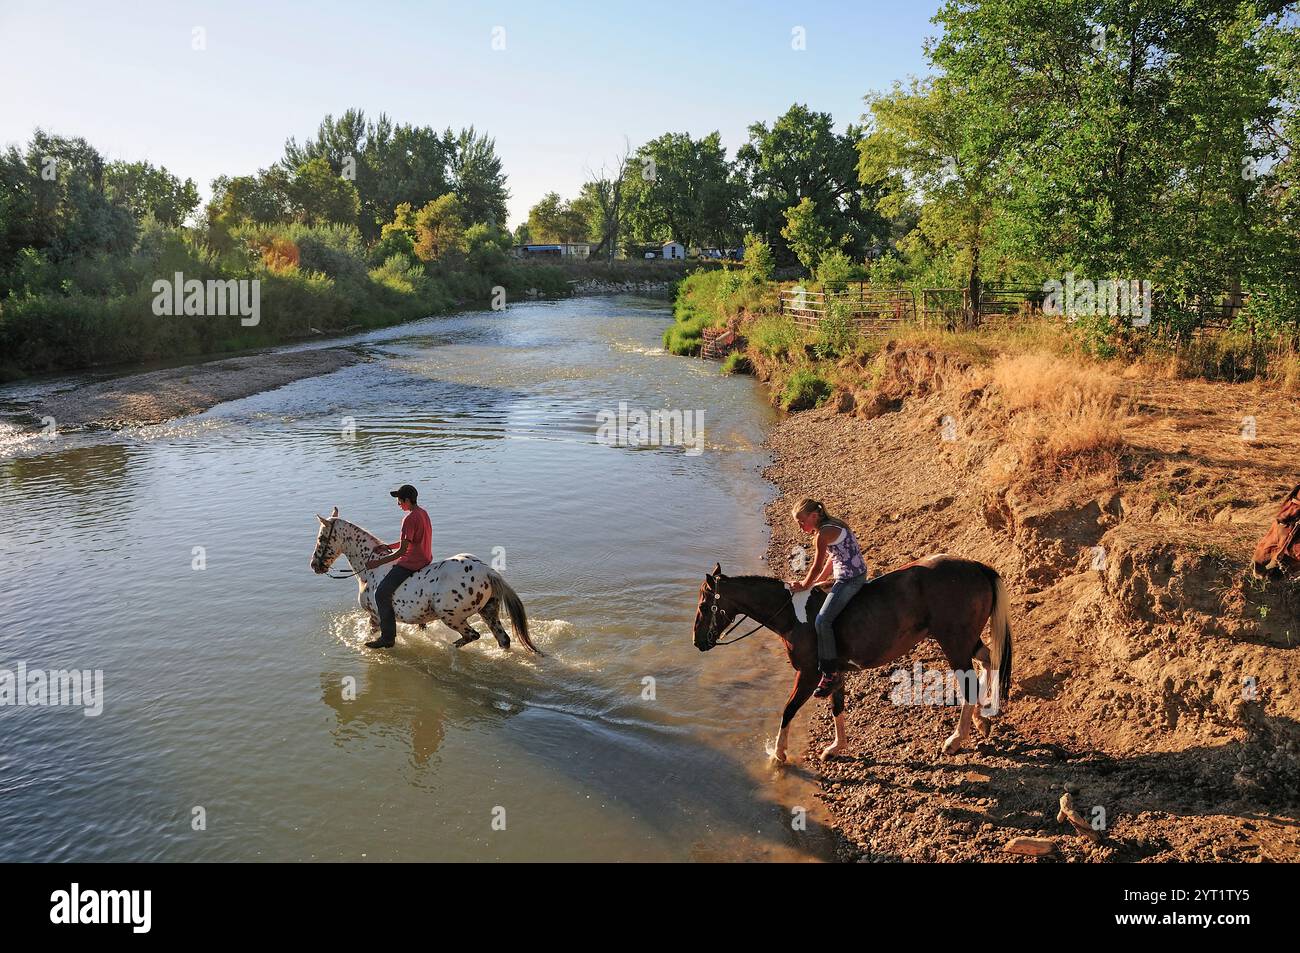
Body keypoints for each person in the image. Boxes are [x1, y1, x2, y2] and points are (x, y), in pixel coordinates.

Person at [787, 498, 868, 698]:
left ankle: (831, 673)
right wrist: (819, 581)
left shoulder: (822, 534)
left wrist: (805, 585)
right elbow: (834, 556)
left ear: (814, 516)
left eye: (801, 521)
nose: (800, 526)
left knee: (822, 621)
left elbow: (815, 565)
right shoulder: (833, 525)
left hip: (850, 579)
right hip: (852, 572)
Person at [363, 484, 433, 649]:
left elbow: (402, 551)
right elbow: (408, 542)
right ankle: (421, 623)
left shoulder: (408, 519)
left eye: (400, 501)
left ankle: (387, 637)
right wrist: (388, 546)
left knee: (380, 594)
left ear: (407, 500)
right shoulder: (422, 513)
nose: (398, 504)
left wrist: (377, 562)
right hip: (426, 558)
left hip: (412, 563)